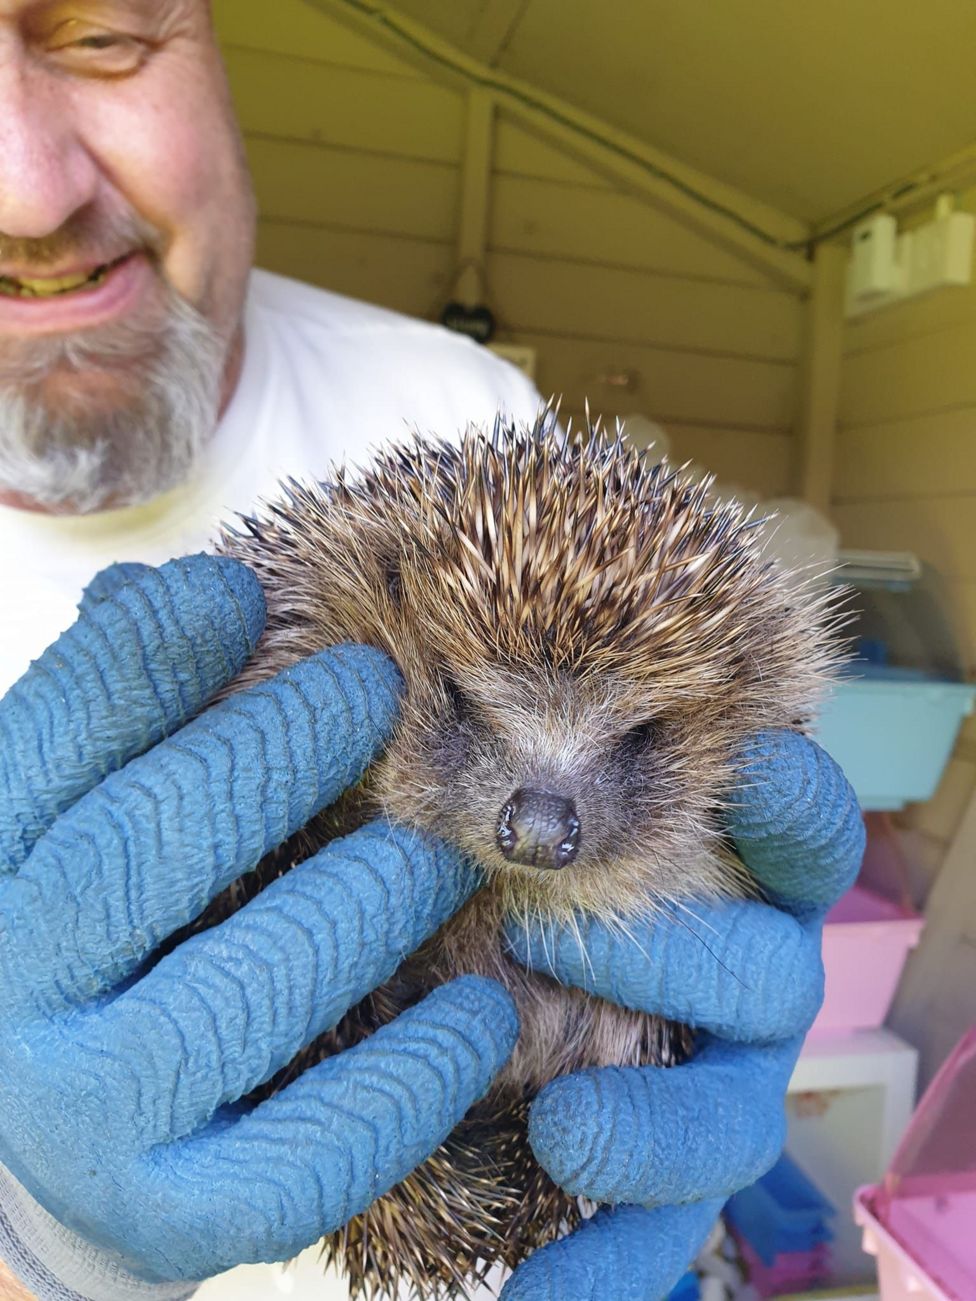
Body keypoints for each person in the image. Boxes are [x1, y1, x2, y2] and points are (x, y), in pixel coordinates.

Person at [0, 2, 865, 1299]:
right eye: (471, 706)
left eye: (100, 32)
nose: (28, 185)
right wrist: (40, 1254)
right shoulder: (357, 575)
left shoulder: (465, 404)